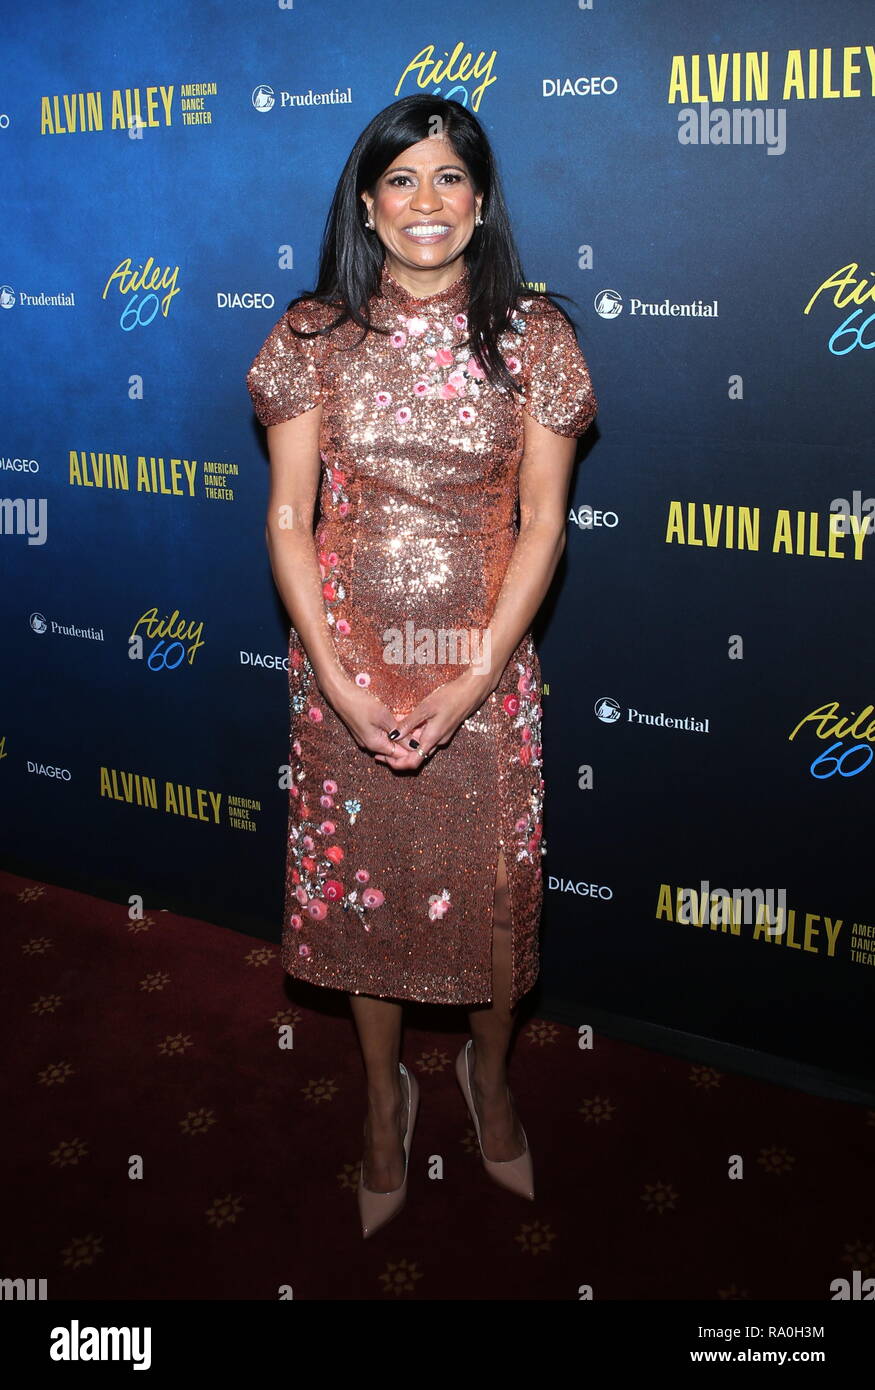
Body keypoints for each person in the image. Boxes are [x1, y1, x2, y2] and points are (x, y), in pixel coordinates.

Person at [246, 94, 597, 1238]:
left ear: (482, 200)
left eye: (449, 178)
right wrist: (340, 682)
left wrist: (474, 678)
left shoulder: (536, 337)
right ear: (366, 202)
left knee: (494, 905)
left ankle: (486, 1083)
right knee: (365, 901)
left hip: (482, 669)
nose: (425, 202)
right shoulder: (311, 334)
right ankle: (379, 1103)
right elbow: (290, 519)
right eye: (400, 180)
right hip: (344, 664)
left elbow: (541, 524)